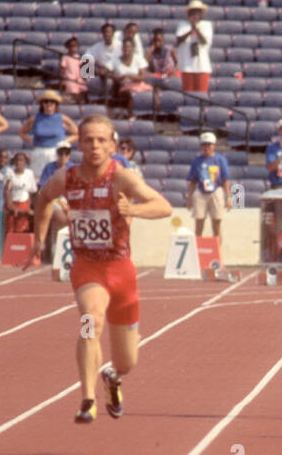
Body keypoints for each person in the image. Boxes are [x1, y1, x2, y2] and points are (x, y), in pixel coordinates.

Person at [25, 114, 174, 423]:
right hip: (87, 269)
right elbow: (43, 199)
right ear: (79, 143)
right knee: (90, 321)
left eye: (101, 140)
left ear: (112, 145)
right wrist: (39, 241)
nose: (94, 145)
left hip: (121, 272)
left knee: (127, 361)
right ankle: (87, 398)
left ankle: (112, 377)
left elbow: (163, 206)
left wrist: (133, 209)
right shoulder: (66, 178)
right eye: (88, 140)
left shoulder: (122, 177)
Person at [20, 90, 78, 179]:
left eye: (52, 102)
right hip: (39, 152)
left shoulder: (62, 118)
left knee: (56, 179)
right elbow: (21, 132)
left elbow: (76, 133)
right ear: (42, 104)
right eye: (46, 102)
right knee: (38, 180)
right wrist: (31, 141)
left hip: (56, 153)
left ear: (56, 104)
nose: (49, 104)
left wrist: (64, 142)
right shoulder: (35, 118)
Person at [187, 131, 231, 239]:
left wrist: (229, 198)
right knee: (199, 223)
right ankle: (197, 250)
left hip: (215, 191)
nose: (207, 147)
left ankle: (217, 252)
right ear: (201, 146)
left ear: (214, 145)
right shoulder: (197, 161)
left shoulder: (220, 160)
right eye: (204, 144)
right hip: (201, 192)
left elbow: (225, 180)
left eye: (209, 144)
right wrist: (189, 198)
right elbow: (192, 181)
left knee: (216, 225)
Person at [173, 0, 213, 93]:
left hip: (202, 66)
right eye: (193, 12)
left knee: (201, 94)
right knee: (188, 94)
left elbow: (205, 41)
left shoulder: (206, 25)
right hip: (187, 65)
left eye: (197, 12)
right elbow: (179, 40)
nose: (195, 15)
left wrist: (196, 29)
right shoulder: (182, 25)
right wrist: (191, 29)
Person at [3, 151, 37, 234]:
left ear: (25, 162)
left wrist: (29, 208)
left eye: (21, 160)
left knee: (22, 231)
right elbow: (7, 191)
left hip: (24, 204)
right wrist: (11, 207)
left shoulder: (29, 173)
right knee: (10, 231)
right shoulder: (9, 173)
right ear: (14, 161)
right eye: (17, 160)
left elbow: (31, 192)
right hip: (12, 205)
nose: (19, 162)